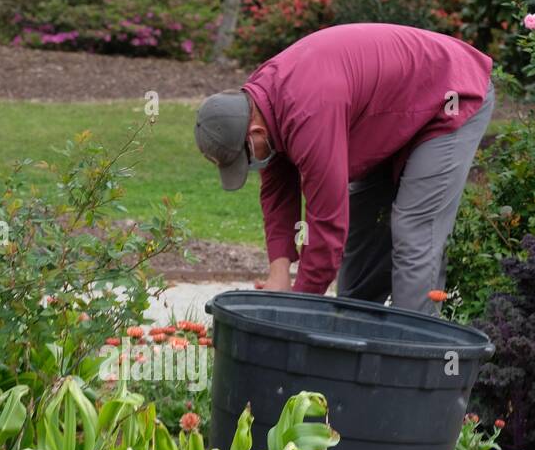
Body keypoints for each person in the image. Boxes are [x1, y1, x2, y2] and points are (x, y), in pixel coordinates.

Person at [194, 23, 494, 315]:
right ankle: (354, 340)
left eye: (245, 159)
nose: (250, 167)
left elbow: (327, 224)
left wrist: (295, 311)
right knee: (366, 225)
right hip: (387, 114)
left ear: (255, 133)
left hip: (449, 92)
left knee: (414, 230)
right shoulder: (259, 102)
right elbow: (277, 192)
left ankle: (414, 352)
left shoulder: (307, 111)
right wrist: (279, 273)